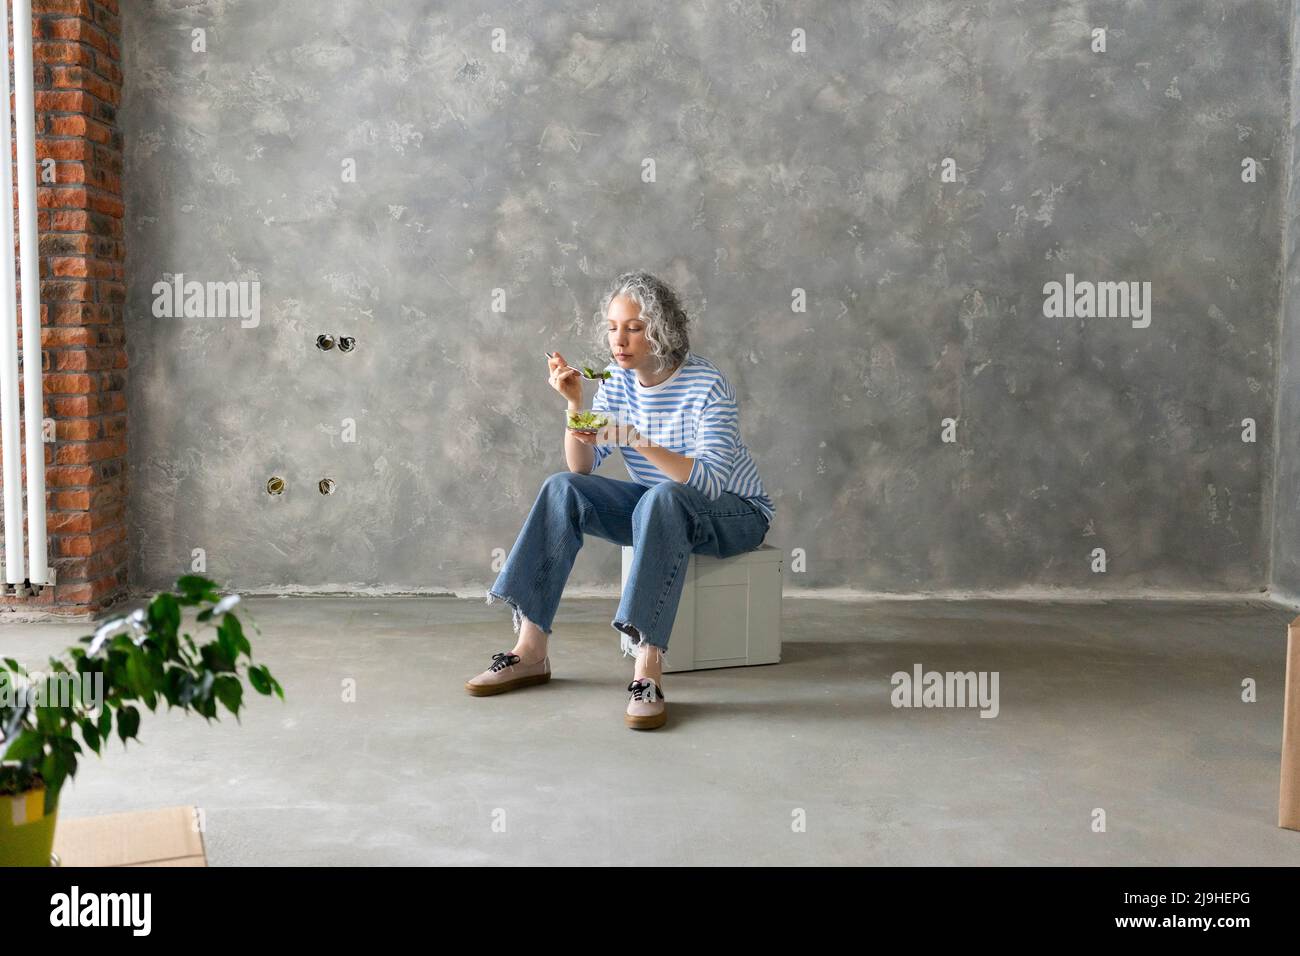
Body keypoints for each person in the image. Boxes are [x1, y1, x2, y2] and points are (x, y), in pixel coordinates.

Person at [467, 271, 775, 730]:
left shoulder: (708, 385)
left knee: (665, 496)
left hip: (734, 512)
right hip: (662, 507)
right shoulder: (617, 380)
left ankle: (647, 670)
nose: (619, 340)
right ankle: (530, 651)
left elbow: (708, 484)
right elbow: (582, 468)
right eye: (614, 327)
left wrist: (636, 437)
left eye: (633, 327)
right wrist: (574, 408)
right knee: (561, 489)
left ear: (662, 330)